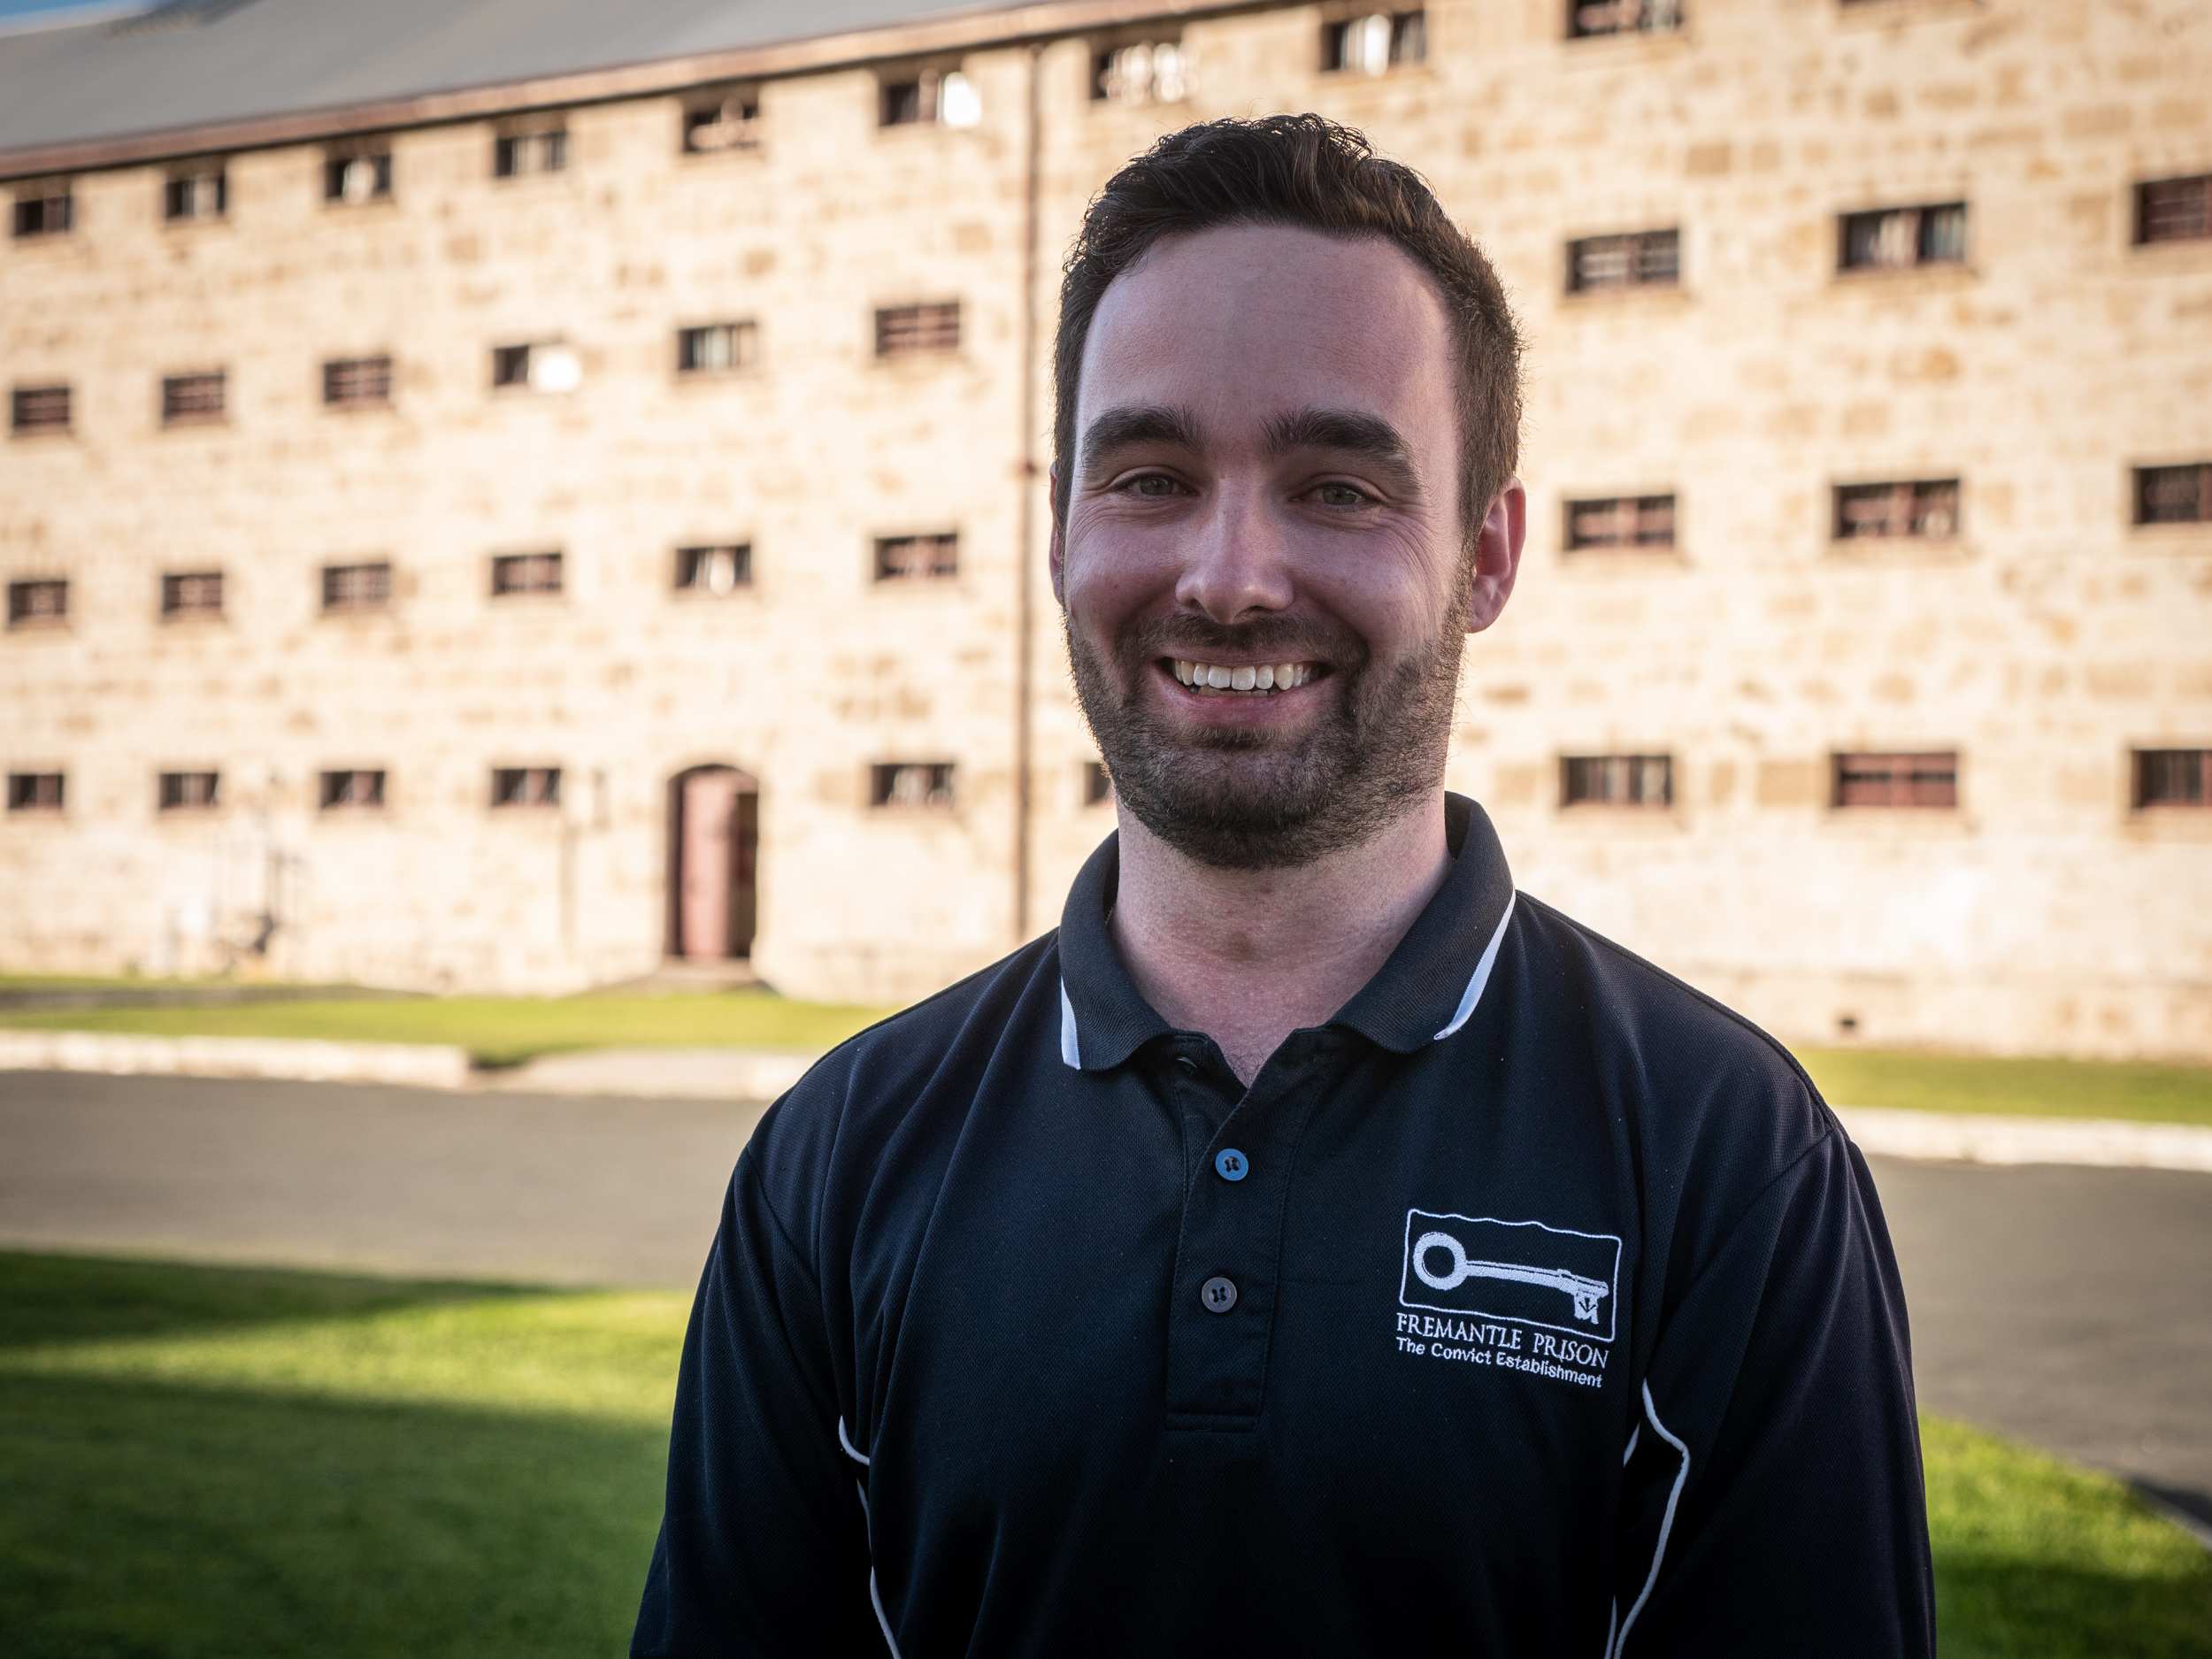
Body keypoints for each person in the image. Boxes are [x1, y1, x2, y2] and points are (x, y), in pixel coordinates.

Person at [631, 113, 1936, 1657]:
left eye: (1338, 486)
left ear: (1487, 556)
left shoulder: (1732, 1162)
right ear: (1060, 531)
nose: (1233, 574)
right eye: (1152, 474)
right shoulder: (839, 1162)